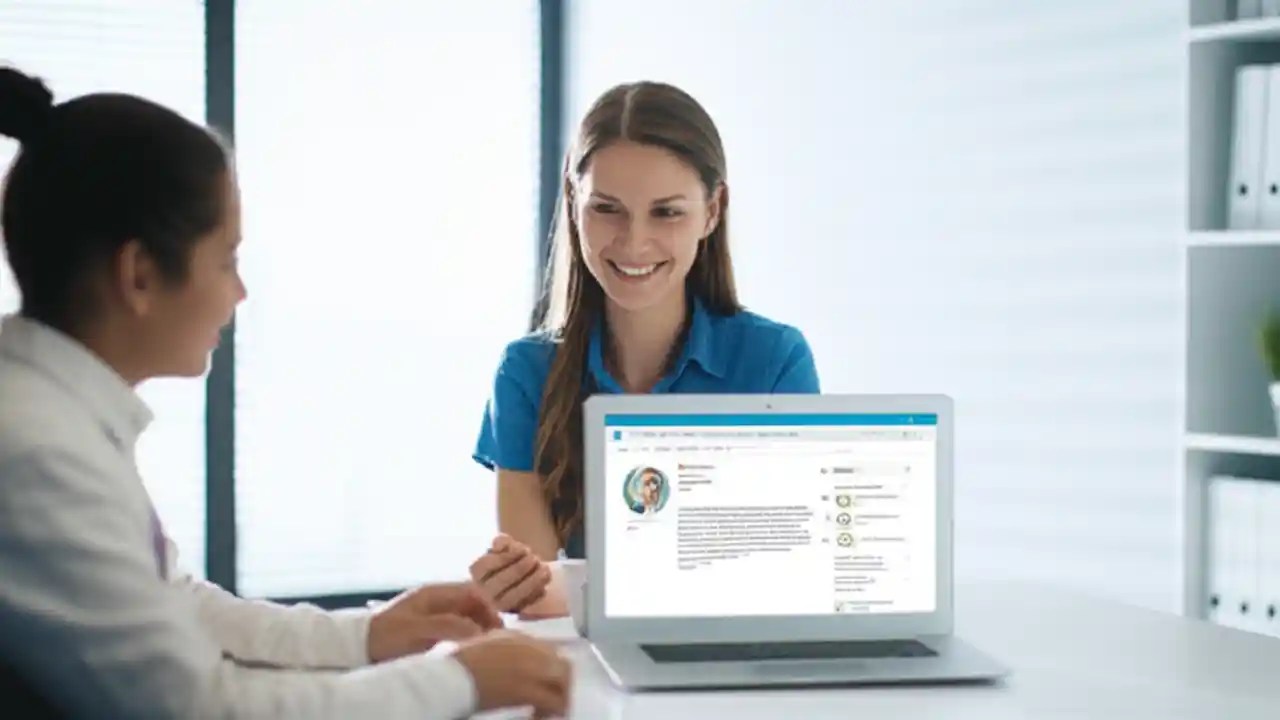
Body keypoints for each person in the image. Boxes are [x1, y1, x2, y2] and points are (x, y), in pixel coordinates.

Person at [0, 68, 570, 719]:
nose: (238, 295)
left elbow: (168, 601)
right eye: (228, 261)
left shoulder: (53, 413)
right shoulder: (37, 451)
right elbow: (199, 708)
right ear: (139, 275)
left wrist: (367, 633)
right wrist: (459, 682)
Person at [468, 81, 821, 617]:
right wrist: (528, 586)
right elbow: (537, 598)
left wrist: (577, 586)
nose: (634, 243)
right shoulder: (525, 373)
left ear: (712, 210)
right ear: (572, 203)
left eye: (667, 212)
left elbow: (774, 571)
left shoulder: (775, 362)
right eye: (607, 209)